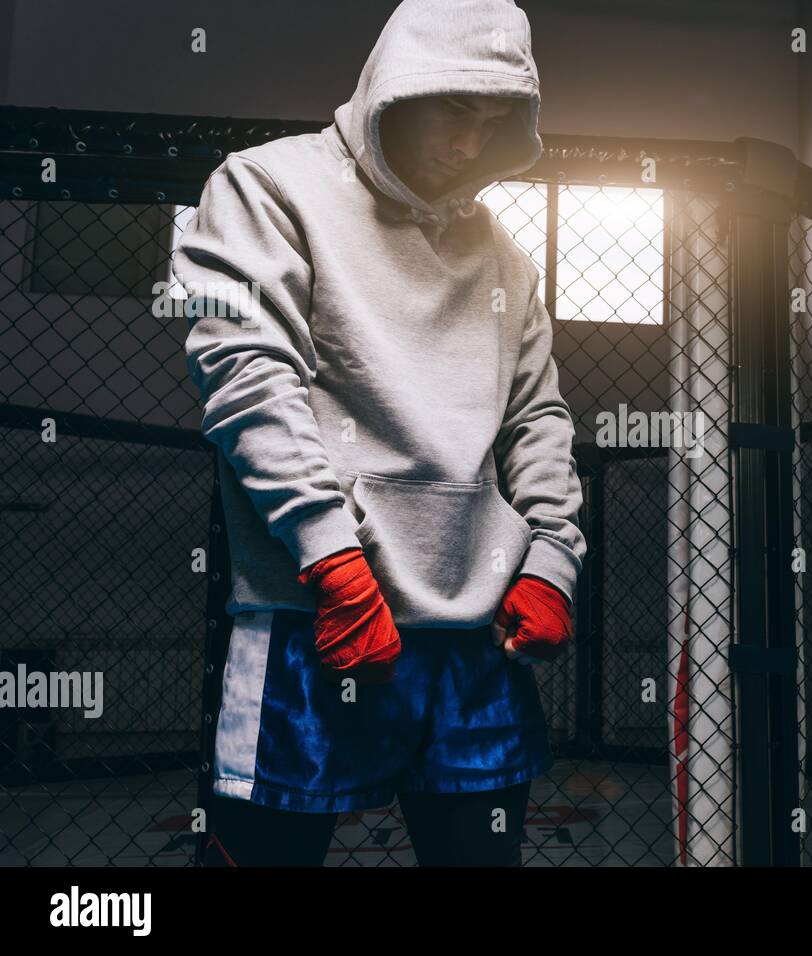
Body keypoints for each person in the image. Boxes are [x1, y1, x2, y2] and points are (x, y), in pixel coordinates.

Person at [176, 0, 585, 867]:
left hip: (474, 634)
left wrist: (552, 558)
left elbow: (538, 415)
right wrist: (329, 557)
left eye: (496, 122)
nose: (472, 147)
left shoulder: (505, 256)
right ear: (396, 89)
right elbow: (249, 375)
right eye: (454, 112)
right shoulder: (265, 185)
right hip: (313, 611)